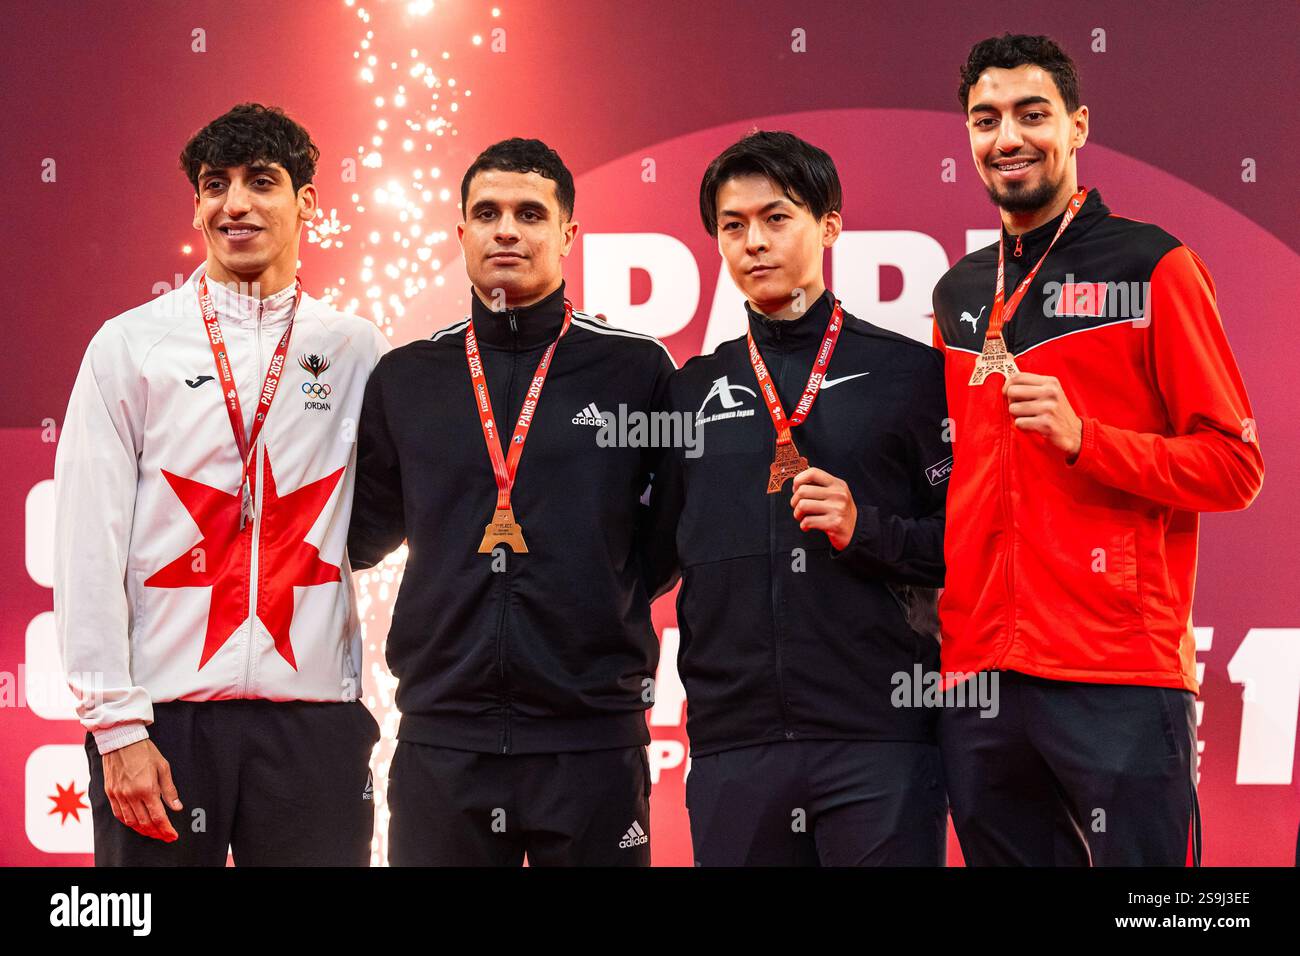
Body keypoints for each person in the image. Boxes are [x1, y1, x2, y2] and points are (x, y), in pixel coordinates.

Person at [932, 34, 1264, 866]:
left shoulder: (1155, 266)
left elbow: (1235, 466)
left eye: (1032, 114)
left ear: (1077, 126)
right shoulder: (959, 291)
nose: (1007, 136)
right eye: (985, 118)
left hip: (1116, 670)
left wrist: (1089, 441)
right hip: (980, 673)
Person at [54, 103, 387, 865]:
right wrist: (115, 725)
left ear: (307, 202)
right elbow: (86, 541)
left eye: (260, 182)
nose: (233, 205)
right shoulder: (129, 346)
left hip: (314, 727)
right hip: (163, 726)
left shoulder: (360, 350)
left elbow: (391, 506)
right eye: (214, 185)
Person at [349, 137, 675, 866]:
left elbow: (666, 541)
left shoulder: (636, 370)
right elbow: (364, 534)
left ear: (566, 234)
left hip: (591, 740)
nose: (507, 229)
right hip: (443, 741)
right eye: (487, 213)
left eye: (530, 213)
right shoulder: (409, 377)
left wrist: (592, 595)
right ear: (461, 233)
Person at [643, 131, 951, 866]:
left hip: (880, 739)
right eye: (733, 225)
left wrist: (866, 528)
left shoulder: (910, 375)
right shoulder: (687, 390)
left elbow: (969, 542)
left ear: (830, 226)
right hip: (734, 749)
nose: (754, 242)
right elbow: (646, 556)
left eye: (777, 218)